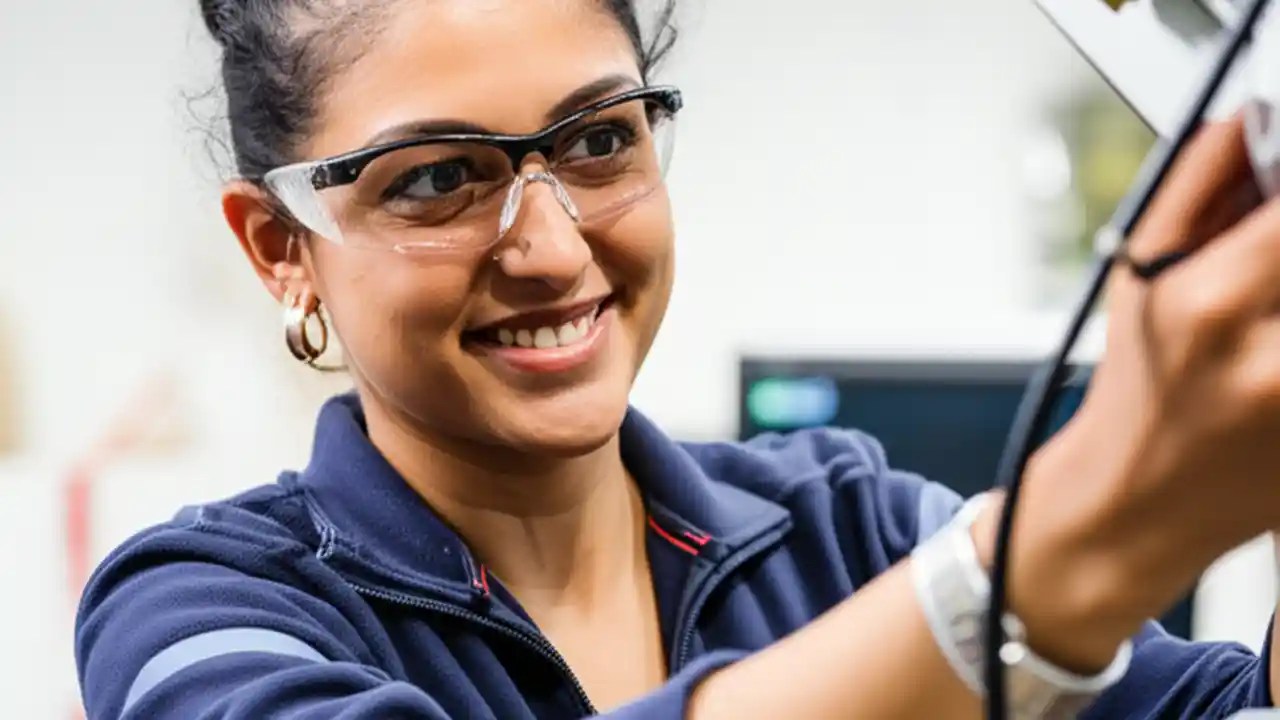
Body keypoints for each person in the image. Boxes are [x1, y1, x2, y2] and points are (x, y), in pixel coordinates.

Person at [73, 0, 1280, 717]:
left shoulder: (845, 529)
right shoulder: (202, 611)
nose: (550, 249)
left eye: (599, 140)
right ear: (283, 246)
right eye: (438, 177)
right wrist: (1059, 552)